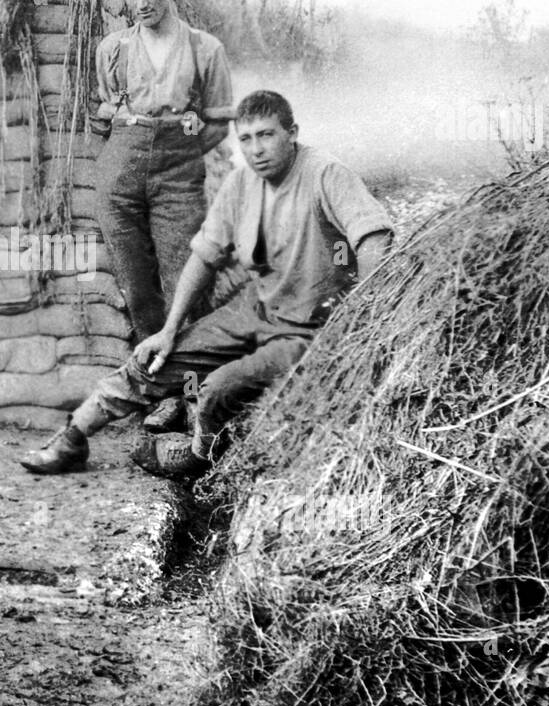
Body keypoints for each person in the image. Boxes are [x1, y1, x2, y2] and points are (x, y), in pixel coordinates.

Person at [21, 90, 394, 477]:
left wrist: (360, 324)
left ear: (292, 133)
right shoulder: (241, 184)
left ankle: (199, 456)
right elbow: (204, 255)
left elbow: (373, 238)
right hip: (255, 310)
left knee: (216, 389)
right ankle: (73, 437)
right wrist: (168, 330)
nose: (256, 150)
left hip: (309, 328)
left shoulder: (325, 173)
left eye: (266, 135)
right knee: (154, 361)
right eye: (246, 139)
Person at [93, 0, 233, 431]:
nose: (140, 3)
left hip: (179, 173)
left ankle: (190, 397)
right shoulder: (113, 49)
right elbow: (106, 113)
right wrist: (111, 120)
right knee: (137, 286)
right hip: (121, 174)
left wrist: (184, 148)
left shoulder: (204, 49)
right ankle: (158, 395)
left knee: (184, 285)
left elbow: (218, 122)